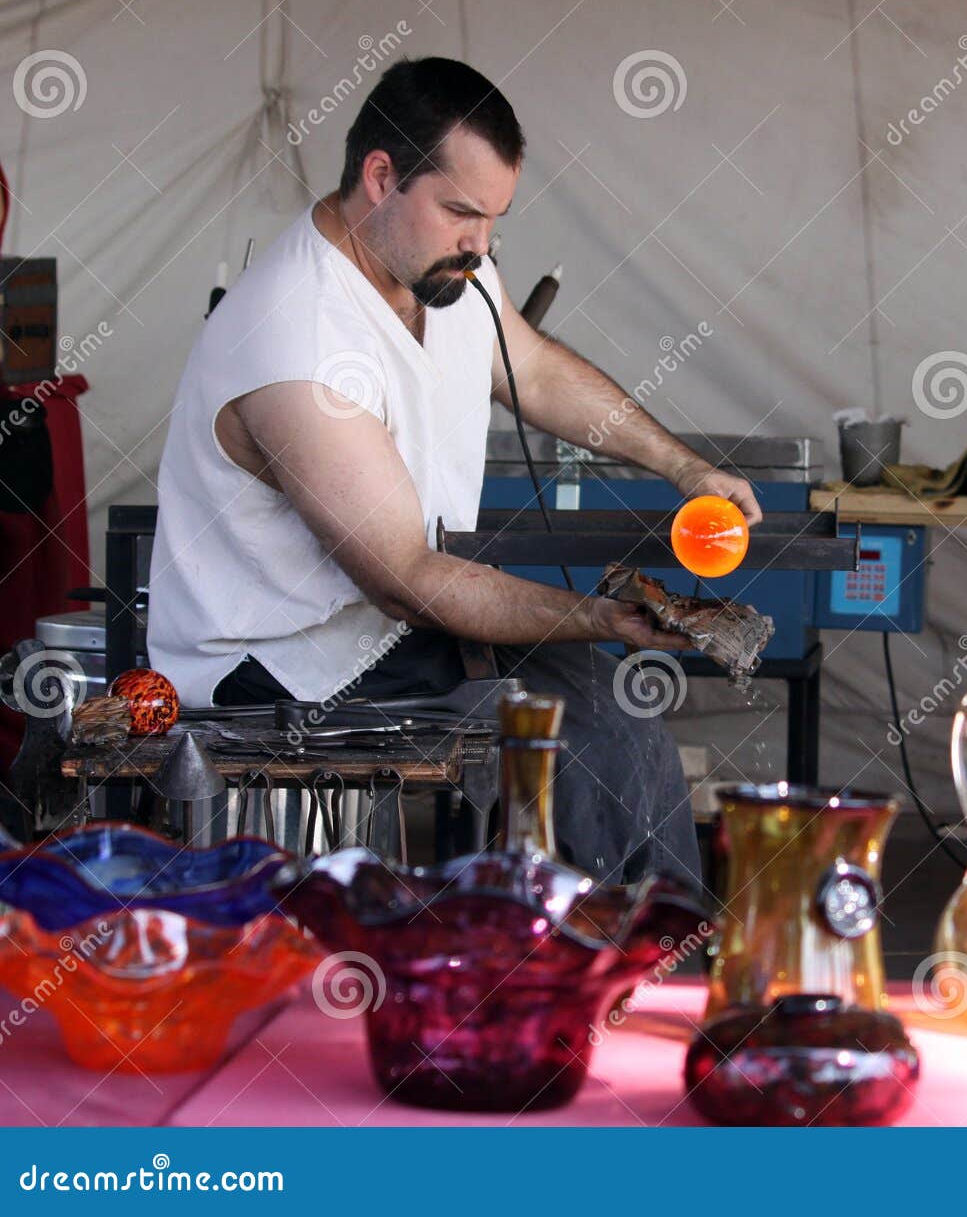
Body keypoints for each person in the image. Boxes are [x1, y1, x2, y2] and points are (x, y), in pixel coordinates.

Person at [148, 57, 761, 888]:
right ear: (380, 177)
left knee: (612, 717)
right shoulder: (295, 336)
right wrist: (605, 617)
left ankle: (642, 968)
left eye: (494, 219)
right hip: (284, 662)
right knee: (567, 730)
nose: (481, 244)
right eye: (463, 213)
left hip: (393, 631)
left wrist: (681, 466)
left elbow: (534, 372)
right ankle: (609, 960)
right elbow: (404, 576)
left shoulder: (443, 270)